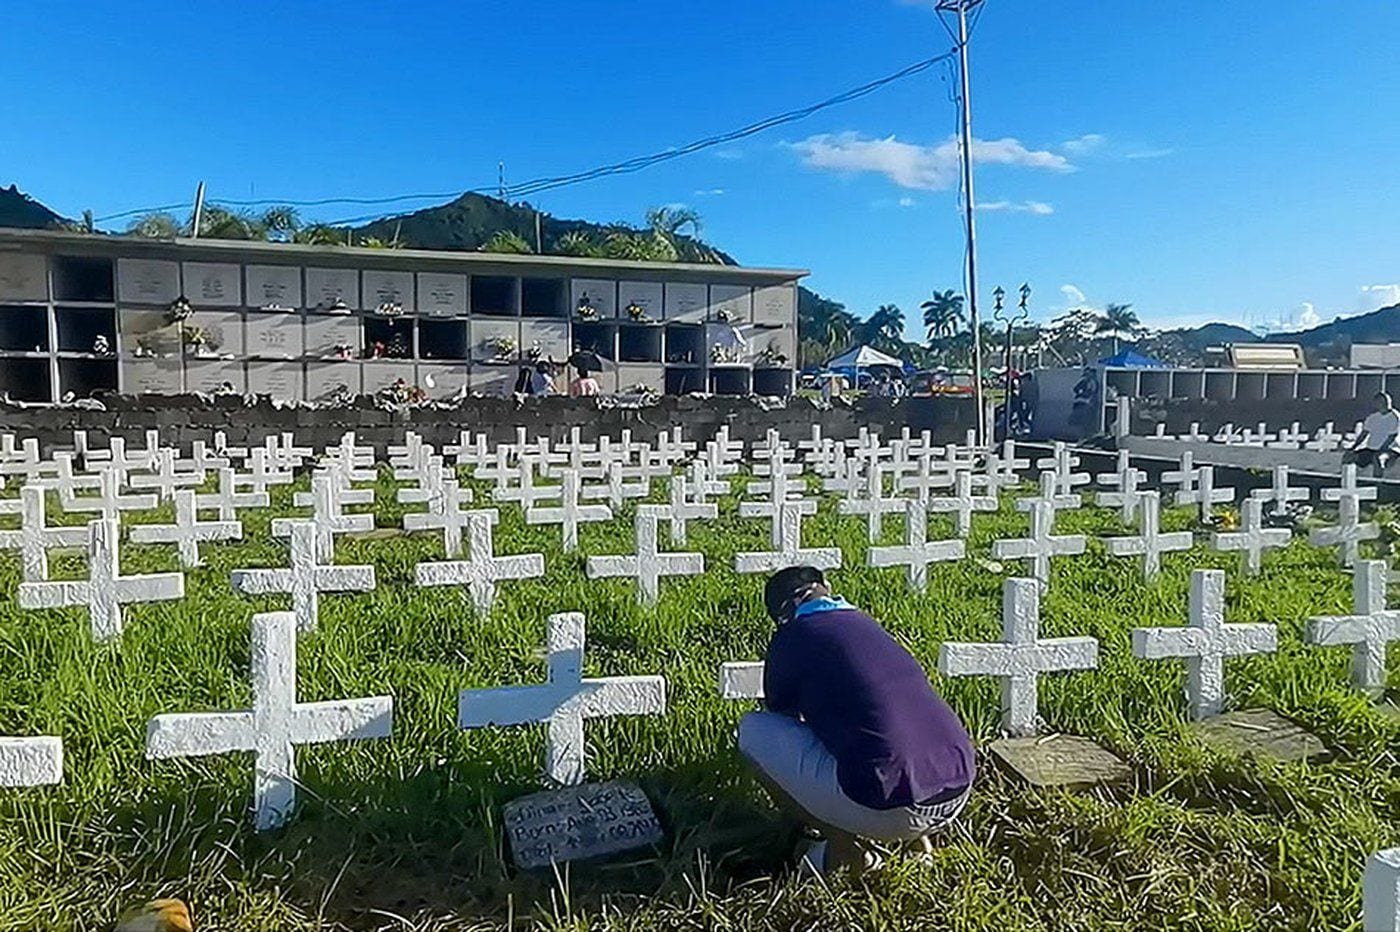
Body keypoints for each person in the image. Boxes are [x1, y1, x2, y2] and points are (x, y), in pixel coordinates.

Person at [737, 566, 975, 874]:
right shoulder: (867, 624)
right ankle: (920, 847)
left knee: (753, 732)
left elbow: (784, 718)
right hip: (958, 788)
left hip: (885, 805)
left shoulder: (793, 636)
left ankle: (846, 852)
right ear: (826, 587)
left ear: (780, 614)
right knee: (895, 721)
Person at [1344, 391, 1400, 474]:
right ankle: (1346, 480)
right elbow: (1364, 434)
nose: (1386, 403)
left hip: (1391, 450)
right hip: (1371, 449)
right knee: (1348, 456)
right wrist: (1353, 448)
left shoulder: (1396, 416)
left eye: (1387, 400)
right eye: (1381, 401)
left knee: (1377, 458)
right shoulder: (1372, 418)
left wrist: (1381, 450)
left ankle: (1378, 484)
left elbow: (1392, 436)